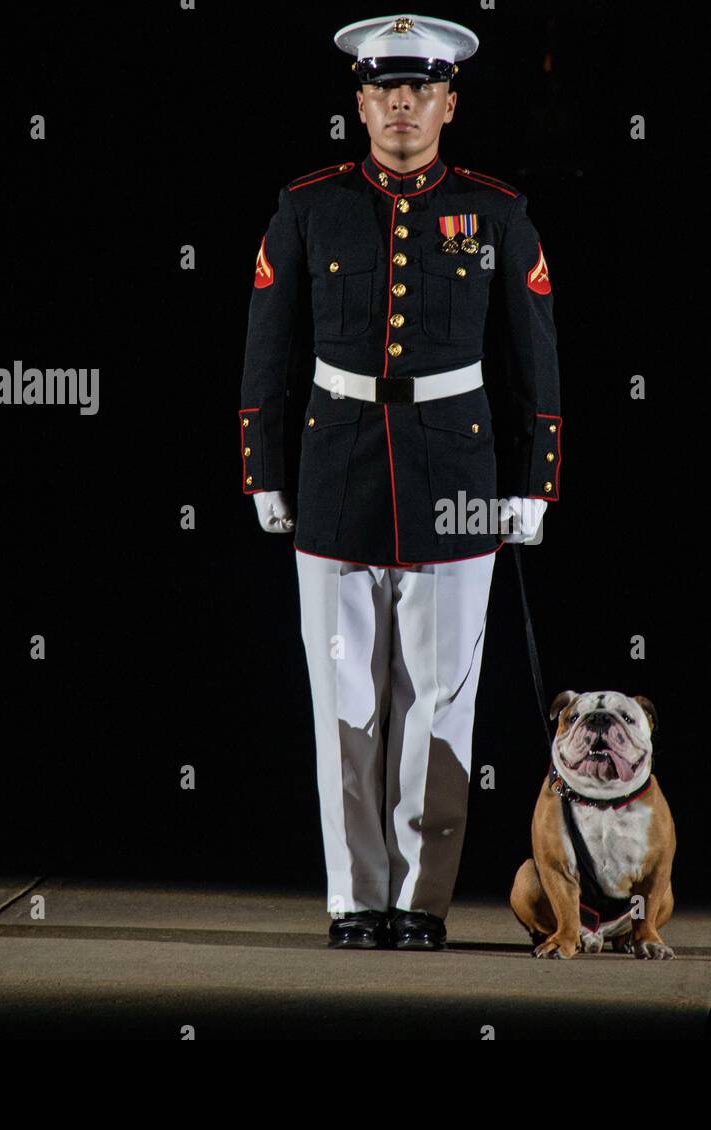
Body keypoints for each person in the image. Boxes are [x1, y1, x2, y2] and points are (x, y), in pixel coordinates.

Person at [238, 13, 562, 950]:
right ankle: (353, 899)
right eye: (386, 89)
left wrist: (533, 482)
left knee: (439, 702)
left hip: (456, 472)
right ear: (361, 103)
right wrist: (263, 468)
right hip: (335, 466)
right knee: (343, 703)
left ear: (449, 103)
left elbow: (532, 359)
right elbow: (268, 351)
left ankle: (420, 903)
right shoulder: (307, 207)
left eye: (421, 89)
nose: (403, 104)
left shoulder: (498, 214)